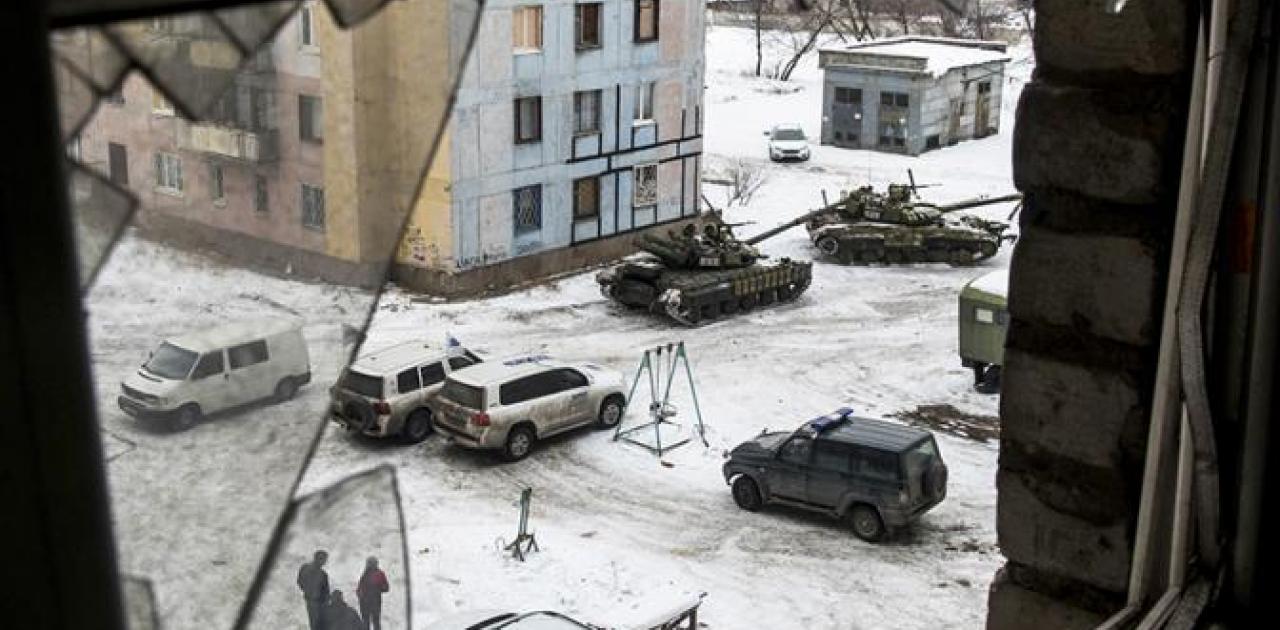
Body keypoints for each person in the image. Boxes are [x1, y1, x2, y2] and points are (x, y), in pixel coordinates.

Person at [296, 550, 330, 630]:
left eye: (325, 560)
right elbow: (326, 592)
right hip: (316, 602)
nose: (324, 562)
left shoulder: (305, 567)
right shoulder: (322, 574)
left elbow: (299, 581)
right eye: (323, 559)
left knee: (315, 623)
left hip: (312, 600)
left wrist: (307, 591)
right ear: (317, 559)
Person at [356, 556, 390, 630]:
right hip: (367, 601)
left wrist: (378, 587)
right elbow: (359, 588)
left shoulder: (378, 574)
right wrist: (360, 594)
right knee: (369, 621)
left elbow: (386, 588)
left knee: (373, 621)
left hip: (373, 601)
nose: (371, 565)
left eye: (372, 563)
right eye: (370, 563)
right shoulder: (365, 574)